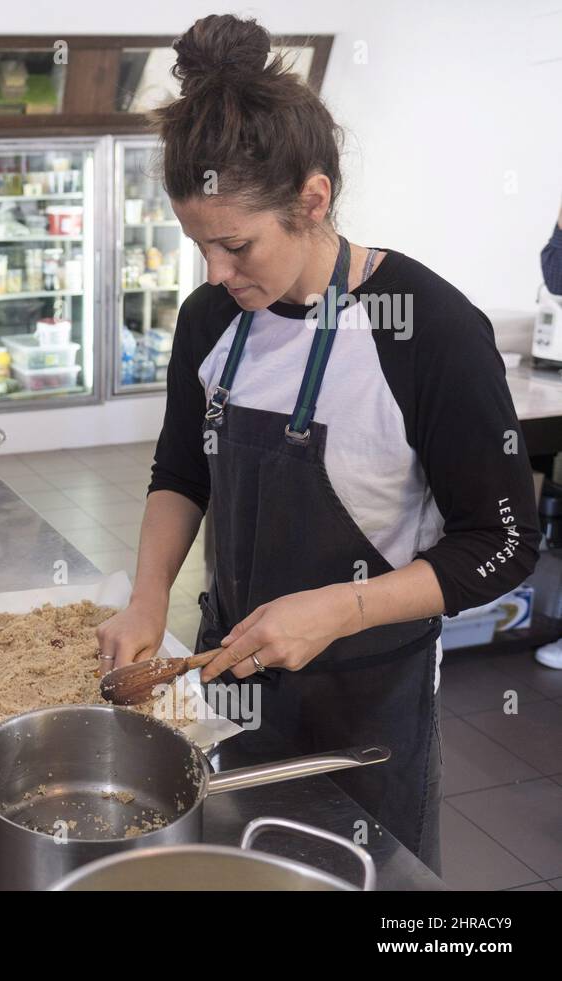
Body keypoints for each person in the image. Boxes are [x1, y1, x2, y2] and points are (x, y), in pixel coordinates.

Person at [96, 14, 540, 876]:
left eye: (235, 245)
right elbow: (182, 470)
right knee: (231, 868)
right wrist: (148, 595)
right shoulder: (209, 319)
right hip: (226, 679)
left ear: (313, 199)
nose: (216, 275)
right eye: (198, 246)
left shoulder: (428, 328)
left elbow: (507, 542)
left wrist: (342, 606)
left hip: (365, 706)